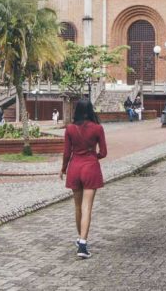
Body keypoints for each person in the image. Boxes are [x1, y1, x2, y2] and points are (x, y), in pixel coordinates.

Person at [59, 99, 107, 259]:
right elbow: (104, 152)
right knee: (87, 207)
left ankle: (80, 238)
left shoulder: (70, 129)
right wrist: (93, 156)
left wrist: (63, 169)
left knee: (78, 207)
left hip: (74, 168)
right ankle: (83, 244)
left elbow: (67, 153)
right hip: (90, 168)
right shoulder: (98, 128)